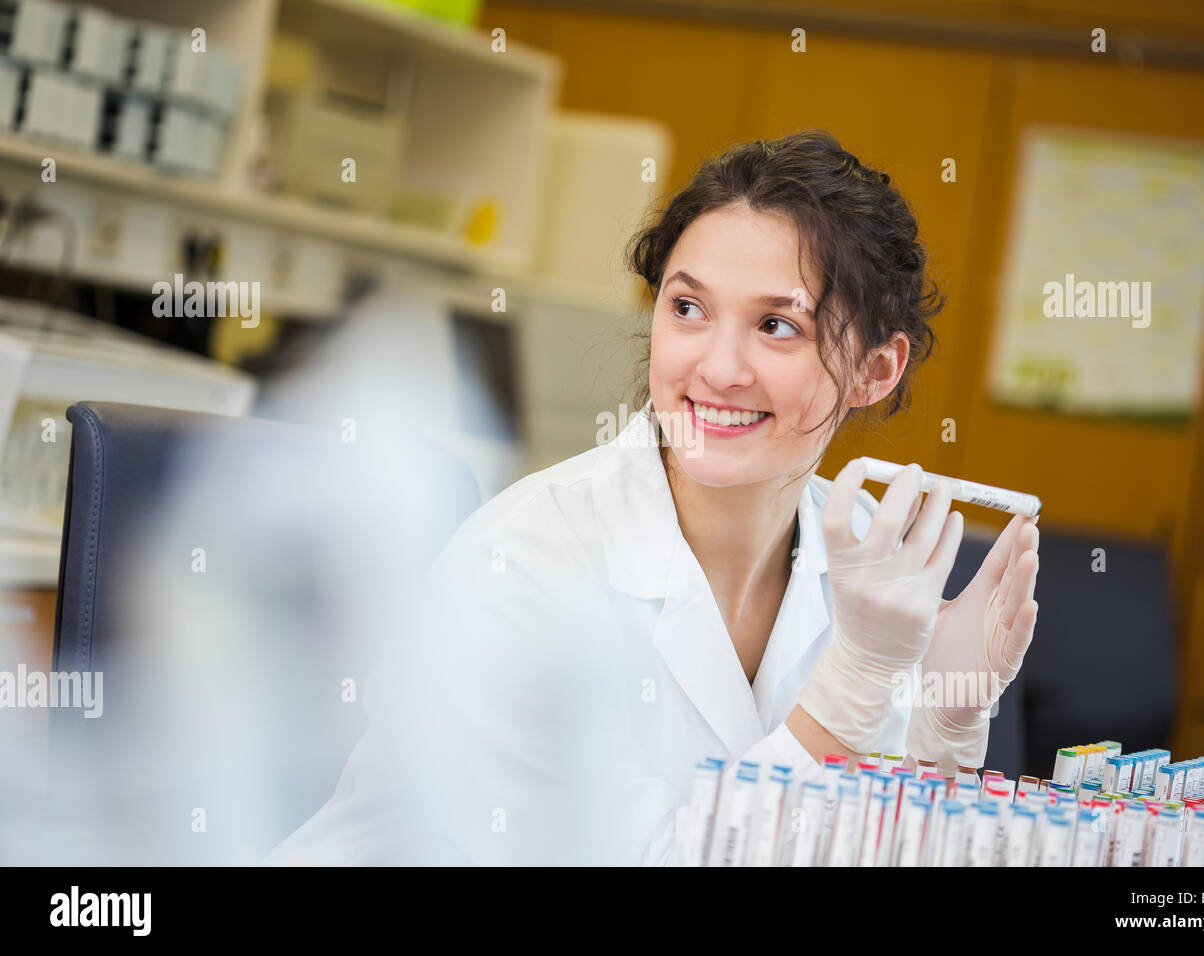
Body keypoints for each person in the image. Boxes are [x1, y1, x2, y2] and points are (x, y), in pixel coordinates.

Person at [269, 129, 1040, 866]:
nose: (717, 367)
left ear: (876, 369)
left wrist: (946, 735)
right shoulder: (529, 566)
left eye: (776, 325)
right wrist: (850, 694)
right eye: (687, 308)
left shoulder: (871, 563)